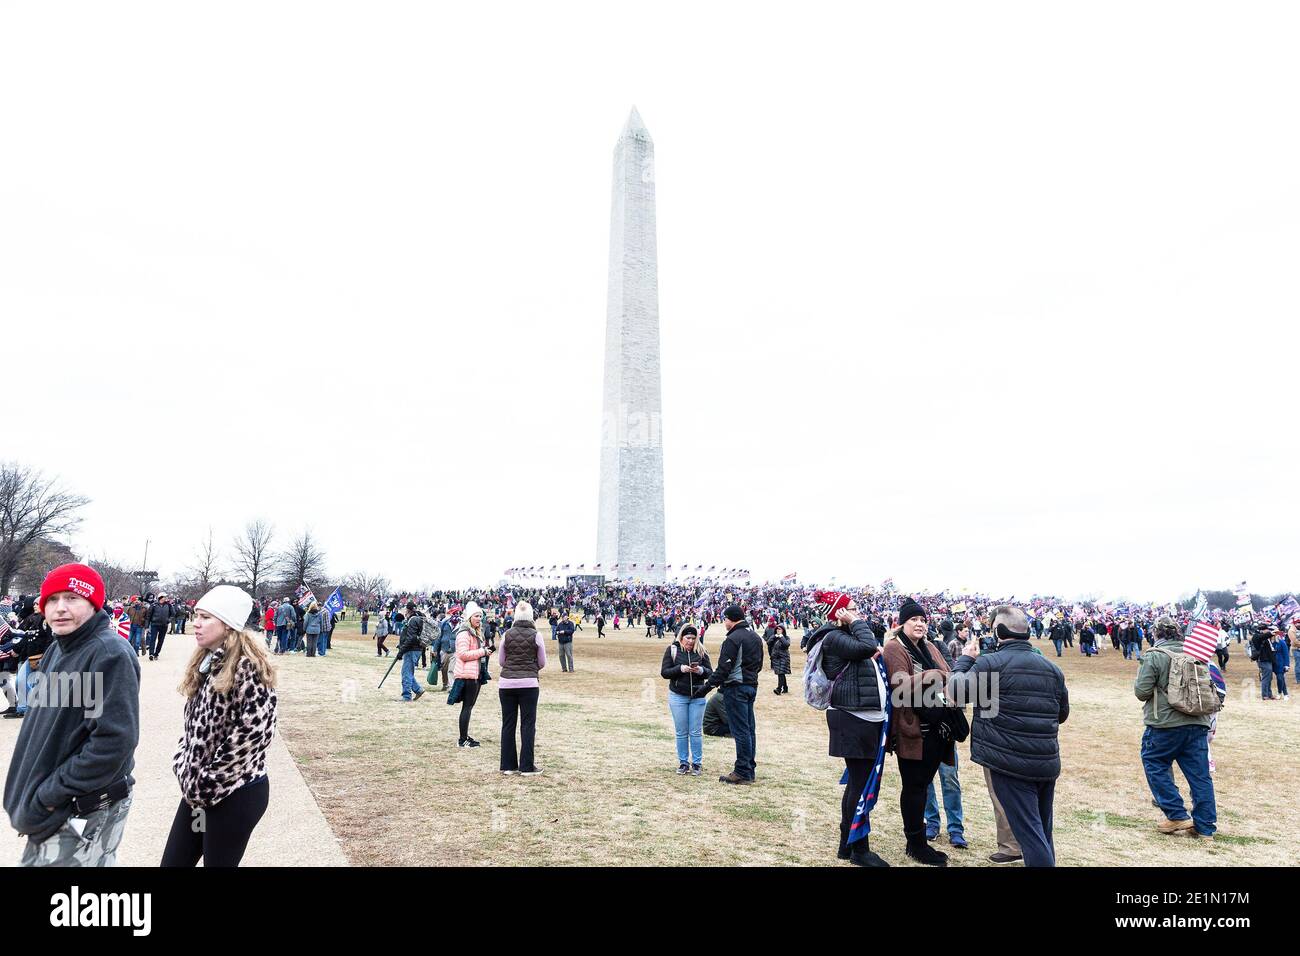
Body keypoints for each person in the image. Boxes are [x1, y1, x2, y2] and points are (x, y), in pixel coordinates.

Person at [3, 564, 140, 866]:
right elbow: (47, 727)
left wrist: (50, 795)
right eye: (52, 599)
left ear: (93, 603)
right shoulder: (58, 649)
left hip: (82, 806)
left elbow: (112, 743)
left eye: (72, 598)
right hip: (54, 805)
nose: (60, 608)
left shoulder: (108, 653)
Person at [162, 585, 276, 866]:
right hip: (199, 792)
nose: (196, 623)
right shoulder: (205, 660)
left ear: (227, 624)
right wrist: (183, 763)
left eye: (205, 617)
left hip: (236, 793)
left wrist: (208, 780)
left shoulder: (248, 666)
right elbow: (194, 729)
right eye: (196, 615)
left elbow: (254, 733)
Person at [948, 605, 1069, 867]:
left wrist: (965, 660)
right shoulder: (1052, 668)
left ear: (997, 631)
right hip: (1045, 760)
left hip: (1010, 763)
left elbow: (956, 692)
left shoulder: (990, 663)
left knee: (1031, 837)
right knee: (1041, 833)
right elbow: (1062, 714)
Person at [809, 591, 890, 867]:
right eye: (851, 609)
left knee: (857, 782)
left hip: (862, 718)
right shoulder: (834, 637)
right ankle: (859, 849)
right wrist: (855, 621)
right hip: (853, 718)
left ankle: (847, 844)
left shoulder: (844, 636)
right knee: (860, 783)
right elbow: (868, 646)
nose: (858, 613)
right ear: (838, 613)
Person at [880, 597, 952, 866]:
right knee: (914, 787)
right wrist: (934, 675)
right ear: (902, 624)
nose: (920, 624)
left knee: (923, 784)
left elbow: (949, 675)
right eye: (914, 620)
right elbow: (900, 686)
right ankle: (915, 843)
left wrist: (940, 677)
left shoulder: (929, 646)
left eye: (923, 619)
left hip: (936, 728)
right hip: (912, 730)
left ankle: (919, 840)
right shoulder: (894, 648)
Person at [1134, 616, 1216, 838]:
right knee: (1200, 776)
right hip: (1197, 722)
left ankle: (1176, 814)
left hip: (1165, 724)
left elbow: (1141, 692)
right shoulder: (1196, 653)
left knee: (1154, 763)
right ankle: (1205, 827)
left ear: (1157, 634)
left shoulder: (1154, 655)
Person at [702, 604, 764, 784]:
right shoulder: (755, 637)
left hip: (735, 687)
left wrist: (707, 687)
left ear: (731, 619)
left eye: (725, 619)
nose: (724, 622)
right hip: (751, 685)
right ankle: (749, 768)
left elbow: (724, 668)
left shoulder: (733, 639)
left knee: (740, 730)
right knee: (749, 730)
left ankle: (742, 771)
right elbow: (759, 665)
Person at [497, 601, 546, 775]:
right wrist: (530, 668)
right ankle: (526, 766)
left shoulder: (507, 634)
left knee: (508, 724)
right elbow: (542, 662)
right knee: (528, 725)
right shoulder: (536, 635)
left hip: (506, 683)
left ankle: (508, 765)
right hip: (529, 684)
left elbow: (501, 661)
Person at [660, 623, 713, 776]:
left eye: (693, 638)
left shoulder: (701, 651)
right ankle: (683, 762)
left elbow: (710, 673)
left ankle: (697, 763)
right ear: (681, 637)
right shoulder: (672, 650)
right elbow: (664, 672)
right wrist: (680, 669)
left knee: (695, 732)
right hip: (678, 696)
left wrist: (700, 670)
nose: (690, 641)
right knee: (681, 732)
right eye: (687, 638)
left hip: (697, 696)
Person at [453, 602, 492, 747]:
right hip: (467, 674)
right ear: (469, 617)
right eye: (476, 616)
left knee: (469, 706)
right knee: (467, 707)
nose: (479, 619)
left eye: (480, 616)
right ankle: (462, 739)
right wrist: (482, 652)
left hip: (475, 673)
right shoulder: (464, 633)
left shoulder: (475, 632)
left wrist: (485, 652)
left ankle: (464, 736)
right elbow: (462, 654)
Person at [395, 602, 429, 702]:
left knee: (406, 673)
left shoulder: (413, 620)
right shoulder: (418, 618)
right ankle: (418, 690)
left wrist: (401, 651)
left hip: (411, 649)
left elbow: (411, 638)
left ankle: (406, 696)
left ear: (408, 610)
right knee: (408, 672)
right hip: (415, 649)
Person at [1250, 624, 1277, 699]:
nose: (1268, 630)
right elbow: (1262, 637)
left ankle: (1269, 694)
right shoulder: (1256, 636)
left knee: (1269, 677)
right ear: (1262, 630)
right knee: (1266, 678)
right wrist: (1271, 633)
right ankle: (1265, 695)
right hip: (1262, 659)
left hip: (1267, 659)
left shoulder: (1263, 636)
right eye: (1267, 629)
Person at [147, 593, 175, 660]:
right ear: (160, 597)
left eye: (166, 597)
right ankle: (151, 654)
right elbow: (148, 616)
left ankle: (156, 653)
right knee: (152, 639)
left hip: (164, 625)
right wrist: (147, 626)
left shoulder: (169, 605)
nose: (165, 598)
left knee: (161, 640)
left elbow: (173, 614)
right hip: (154, 624)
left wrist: (168, 620)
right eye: (164, 597)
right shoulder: (153, 605)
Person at [767, 624, 791, 695]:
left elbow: (786, 645)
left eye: (780, 629)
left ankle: (779, 689)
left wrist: (781, 637)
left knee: (781, 673)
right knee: (781, 674)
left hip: (784, 658)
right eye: (777, 629)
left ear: (783, 630)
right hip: (776, 658)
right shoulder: (774, 637)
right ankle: (785, 688)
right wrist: (774, 637)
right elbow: (768, 643)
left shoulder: (786, 637)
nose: (778, 630)